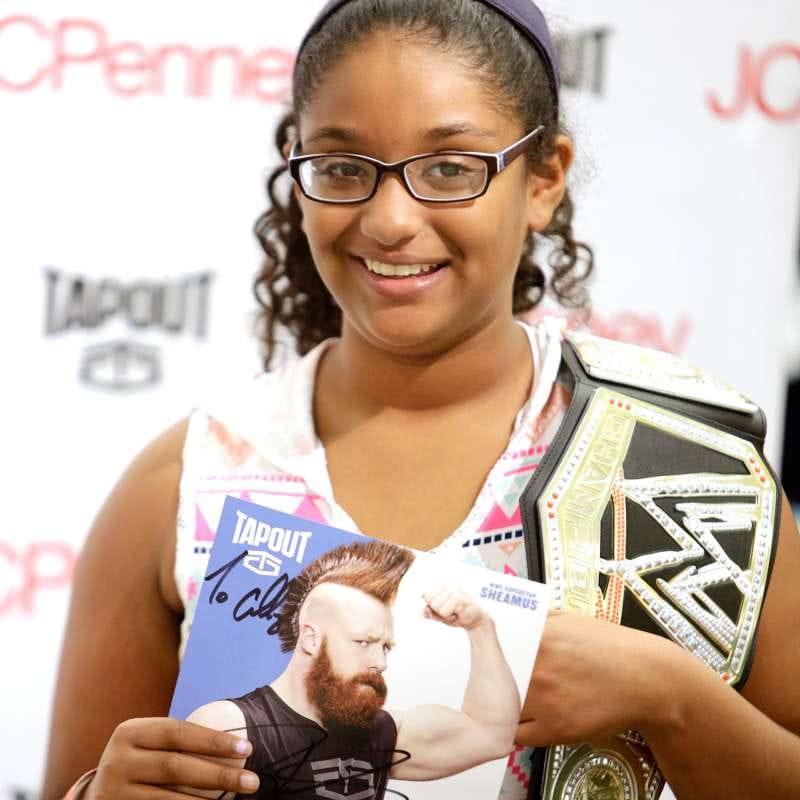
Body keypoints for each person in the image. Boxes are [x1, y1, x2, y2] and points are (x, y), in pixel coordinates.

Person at [43, 1, 800, 799]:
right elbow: (74, 781)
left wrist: (671, 696)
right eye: (343, 167)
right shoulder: (184, 485)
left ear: (544, 178)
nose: (390, 219)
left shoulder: (691, 468)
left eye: (449, 168)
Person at [186, 539, 520, 799]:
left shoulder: (381, 734)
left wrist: (481, 627)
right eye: (363, 642)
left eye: (385, 647)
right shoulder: (231, 727)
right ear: (312, 639)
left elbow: (491, 736)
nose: (381, 663)